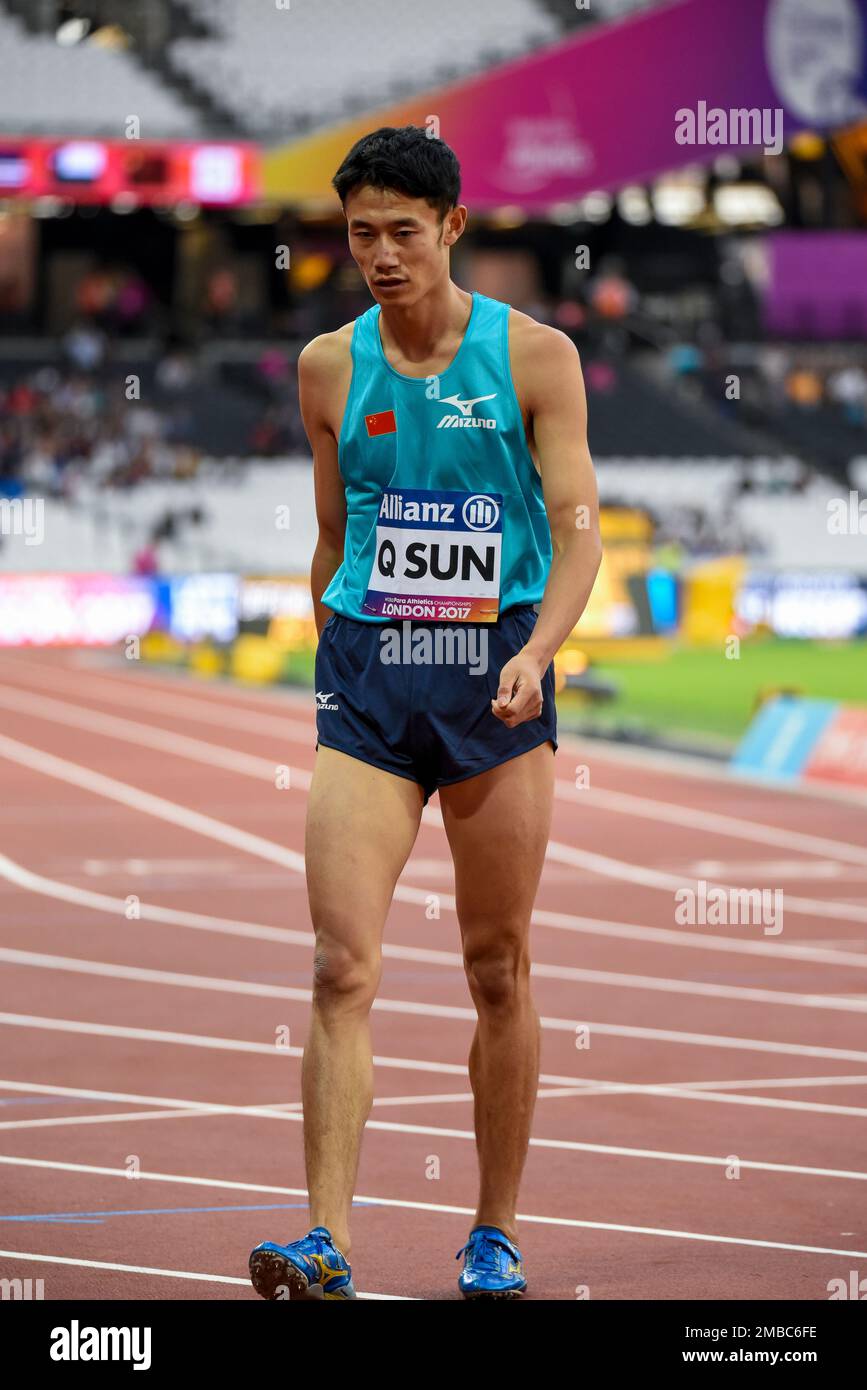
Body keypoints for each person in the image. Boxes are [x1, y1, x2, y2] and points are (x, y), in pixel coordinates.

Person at [249, 126, 602, 1301]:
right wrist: (334, 658)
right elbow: (335, 538)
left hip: (496, 674)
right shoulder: (326, 368)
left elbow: (579, 527)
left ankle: (493, 1231)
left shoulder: (540, 359)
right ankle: (327, 1239)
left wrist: (540, 651)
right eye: (361, 234)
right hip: (371, 678)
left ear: (454, 227)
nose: (382, 254)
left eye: (405, 231)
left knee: (495, 965)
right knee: (340, 964)